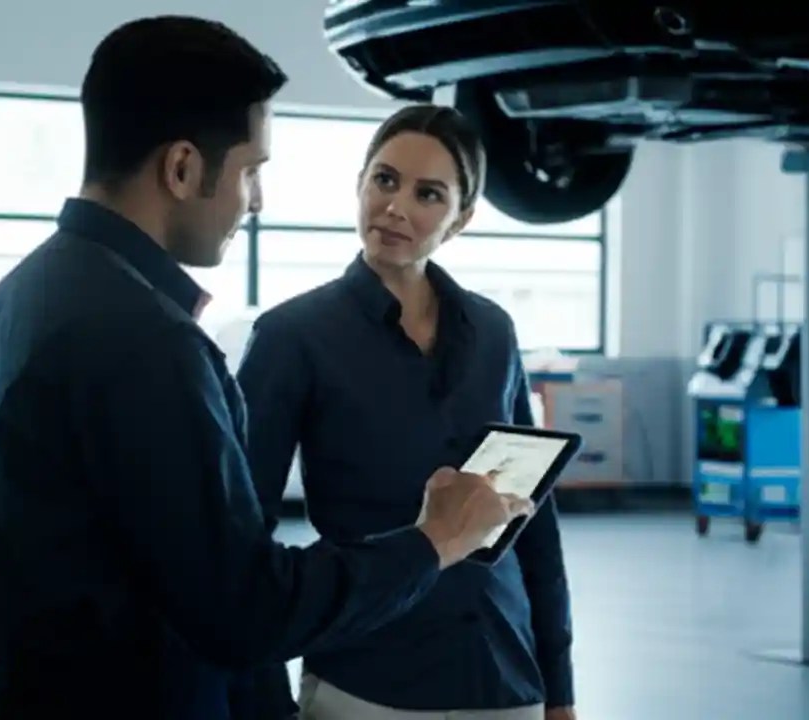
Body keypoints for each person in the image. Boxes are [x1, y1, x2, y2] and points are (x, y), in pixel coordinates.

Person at [0, 17, 533, 720]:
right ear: (184, 168)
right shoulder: (146, 342)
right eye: (252, 170)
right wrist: (434, 541)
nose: (256, 201)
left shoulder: (15, 299)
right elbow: (245, 607)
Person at [235, 105, 576, 719]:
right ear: (361, 183)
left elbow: (536, 524)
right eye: (385, 180)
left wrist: (561, 687)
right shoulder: (293, 335)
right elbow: (240, 538)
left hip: (502, 678)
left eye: (428, 194)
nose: (396, 207)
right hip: (367, 683)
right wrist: (260, 703)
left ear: (460, 219)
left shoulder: (494, 332)